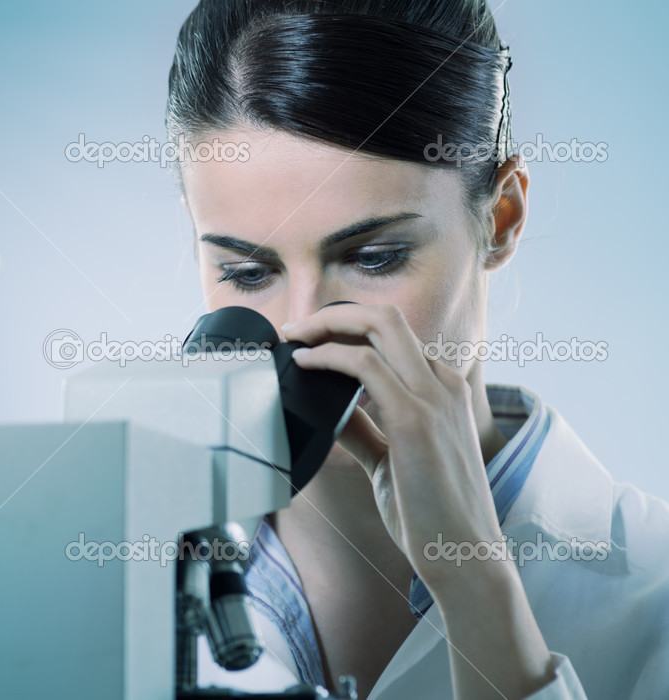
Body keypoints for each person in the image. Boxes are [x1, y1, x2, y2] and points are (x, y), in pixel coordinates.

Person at [165, 2, 669, 699]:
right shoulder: (123, 566)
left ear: (499, 219)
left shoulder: (656, 591)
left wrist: (473, 583)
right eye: (248, 273)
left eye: (373, 258)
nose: (304, 328)